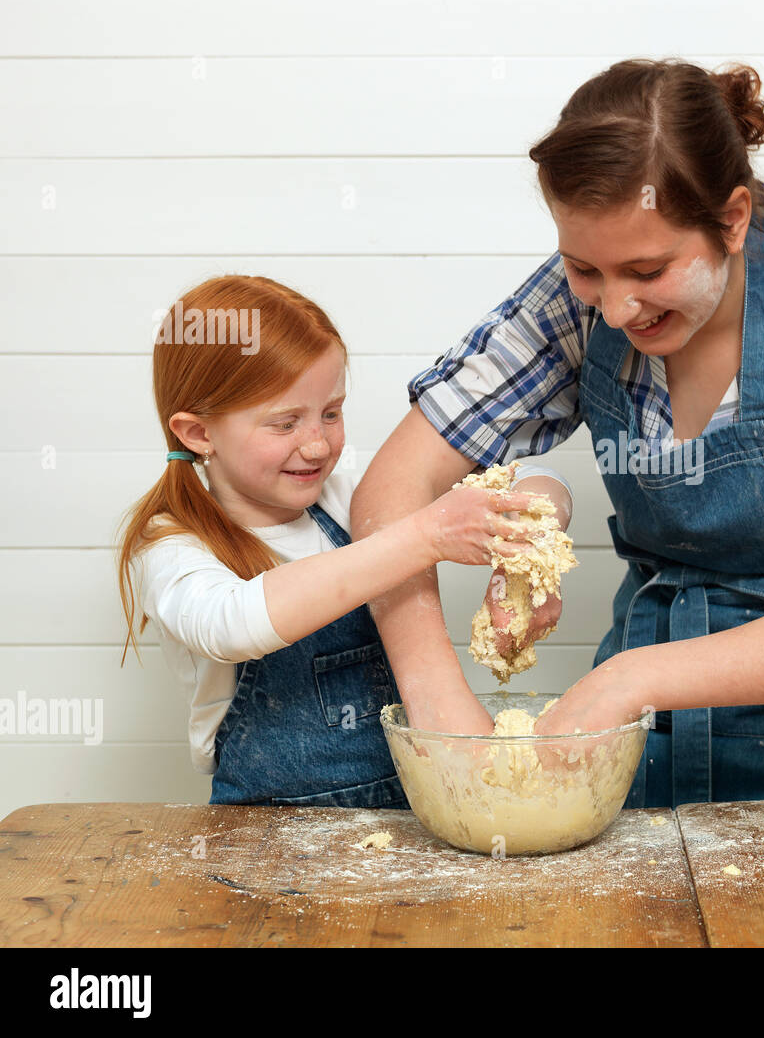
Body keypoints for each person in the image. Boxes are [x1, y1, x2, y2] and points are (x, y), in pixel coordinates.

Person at [353, 59, 764, 808]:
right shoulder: (583, 295)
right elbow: (391, 488)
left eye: (647, 269)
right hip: (633, 756)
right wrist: (439, 707)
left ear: (732, 220)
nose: (613, 308)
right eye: (584, 269)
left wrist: (630, 678)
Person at [116, 274, 565, 806]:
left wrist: (533, 540)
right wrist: (424, 535)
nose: (317, 445)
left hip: (413, 810)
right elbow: (232, 624)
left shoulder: (352, 501)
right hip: (265, 831)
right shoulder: (170, 543)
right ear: (199, 434)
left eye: (332, 412)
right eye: (285, 424)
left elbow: (536, 477)